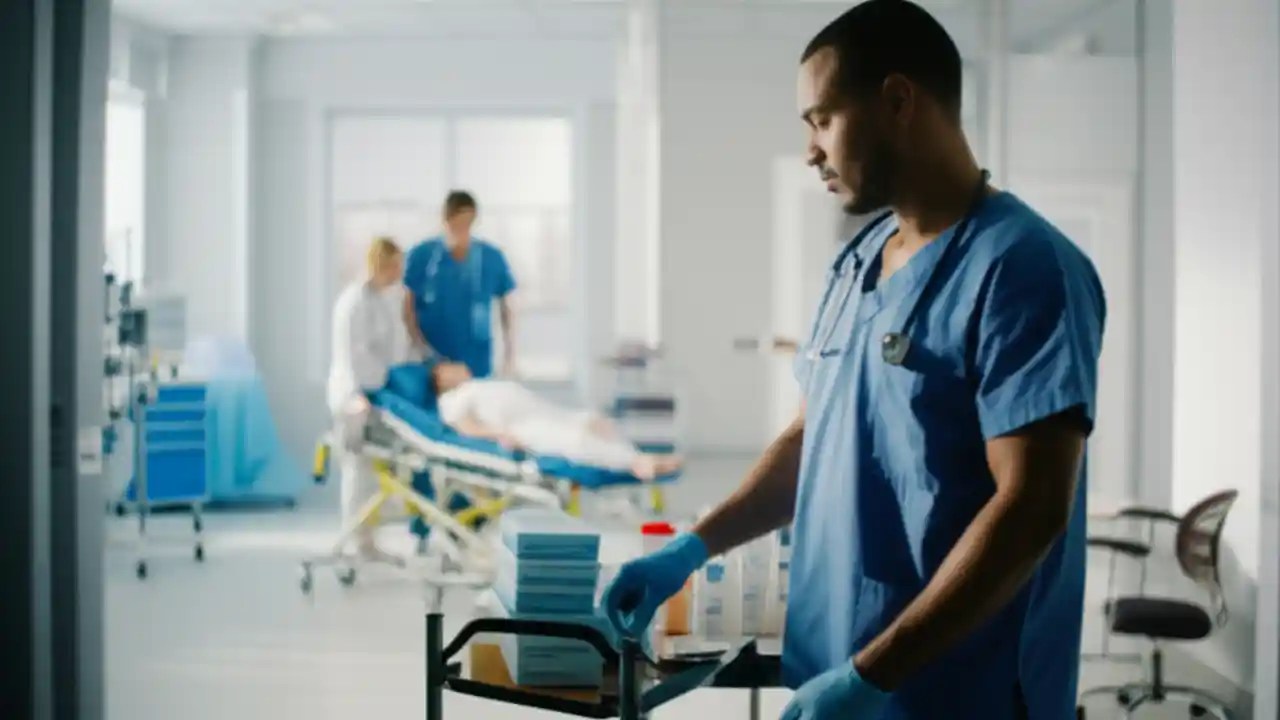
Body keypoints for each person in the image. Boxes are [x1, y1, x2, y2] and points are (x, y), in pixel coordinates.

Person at [601, 2, 1106, 719]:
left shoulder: (1024, 269)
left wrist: (873, 678)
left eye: (822, 119)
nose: (811, 149)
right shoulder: (855, 263)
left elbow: (1031, 507)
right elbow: (811, 439)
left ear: (898, 101)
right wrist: (691, 549)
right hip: (833, 674)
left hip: (953, 693)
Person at [430, 361, 682, 481]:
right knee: (576, 439)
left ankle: (634, 457)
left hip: (543, 413)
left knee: (594, 422)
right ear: (441, 380)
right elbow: (467, 427)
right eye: (449, 367)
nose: (459, 364)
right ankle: (637, 463)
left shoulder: (477, 384)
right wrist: (499, 435)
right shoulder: (451, 400)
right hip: (522, 428)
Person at [327, 236, 416, 563]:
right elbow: (351, 354)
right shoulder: (353, 301)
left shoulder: (381, 299)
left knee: (373, 471)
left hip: (375, 393)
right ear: (382, 264)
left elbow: (392, 349)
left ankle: (366, 541)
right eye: (395, 267)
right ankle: (352, 542)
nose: (399, 274)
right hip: (353, 397)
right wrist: (358, 397)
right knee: (356, 469)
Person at [403, 191, 518, 379]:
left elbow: (507, 306)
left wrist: (510, 354)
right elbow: (407, 309)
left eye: (468, 222)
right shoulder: (421, 256)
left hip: (477, 362)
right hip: (433, 364)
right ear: (445, 220)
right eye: (456, 222)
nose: (462, 229)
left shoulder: (491, 257)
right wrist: (421, 349)